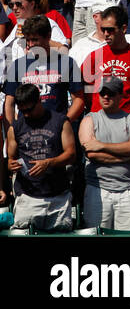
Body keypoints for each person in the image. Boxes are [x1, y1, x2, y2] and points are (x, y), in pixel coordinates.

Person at [6, 83, 76, 231]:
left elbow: (71, 154)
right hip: (28, 197)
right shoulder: (15, 127)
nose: (26, 114)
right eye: (21, 110)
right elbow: (11, 160)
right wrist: (12, 165)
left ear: (39, 101)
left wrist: (49, 163)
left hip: (58, 198)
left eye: (29, 109)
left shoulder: (60, 121)